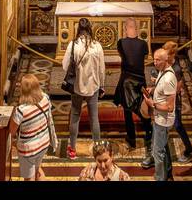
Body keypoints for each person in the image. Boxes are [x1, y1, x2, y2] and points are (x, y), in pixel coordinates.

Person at [61, 17, 105, 159]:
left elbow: (64, 65)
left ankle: (72, 149)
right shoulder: (97, 46)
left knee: (75, 116)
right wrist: (101, 85)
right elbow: (102, 69)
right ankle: (98, 148)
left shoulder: (73, 45)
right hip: (93, 87)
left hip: (77, 87)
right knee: (94, 118)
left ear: (78, 30)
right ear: (90, 28)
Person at [114, 19, 152, 155]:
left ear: (125, 29)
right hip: (140, 79)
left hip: (126, 80)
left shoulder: (120, 43)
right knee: (144, 107)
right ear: (137, 29)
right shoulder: (143, 44)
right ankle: (148, 134)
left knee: (127, 110)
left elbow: (123, 56)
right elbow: (145, 58)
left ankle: (131, 138)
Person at [8, 73, 54, 181]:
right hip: (43, 143)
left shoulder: (21, 110)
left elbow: (12, 131)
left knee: (28, 178)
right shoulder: (46, 99)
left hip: (28, 150)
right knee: (37, 171)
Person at [145, 47, 177, 181]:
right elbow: (162, 89)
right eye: (154, 59)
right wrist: (152, 90)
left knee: (157, 152)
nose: (155, 62)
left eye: (158, 60)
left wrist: (152, 104)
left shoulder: (168, 78)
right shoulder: (162, 71)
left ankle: (160, 178)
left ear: (166, 60)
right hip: (159, 118)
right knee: (164, 147)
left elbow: (169, 107)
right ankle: (168, 172)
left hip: (163, 121)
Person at [162, 40, 192, 161]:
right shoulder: (167, 64)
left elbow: (178, 87)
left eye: (167, 54)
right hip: (166, 100)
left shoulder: (176, 68)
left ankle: (190, 151)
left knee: (178, 125)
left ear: (172, 55)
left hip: (174, 101)